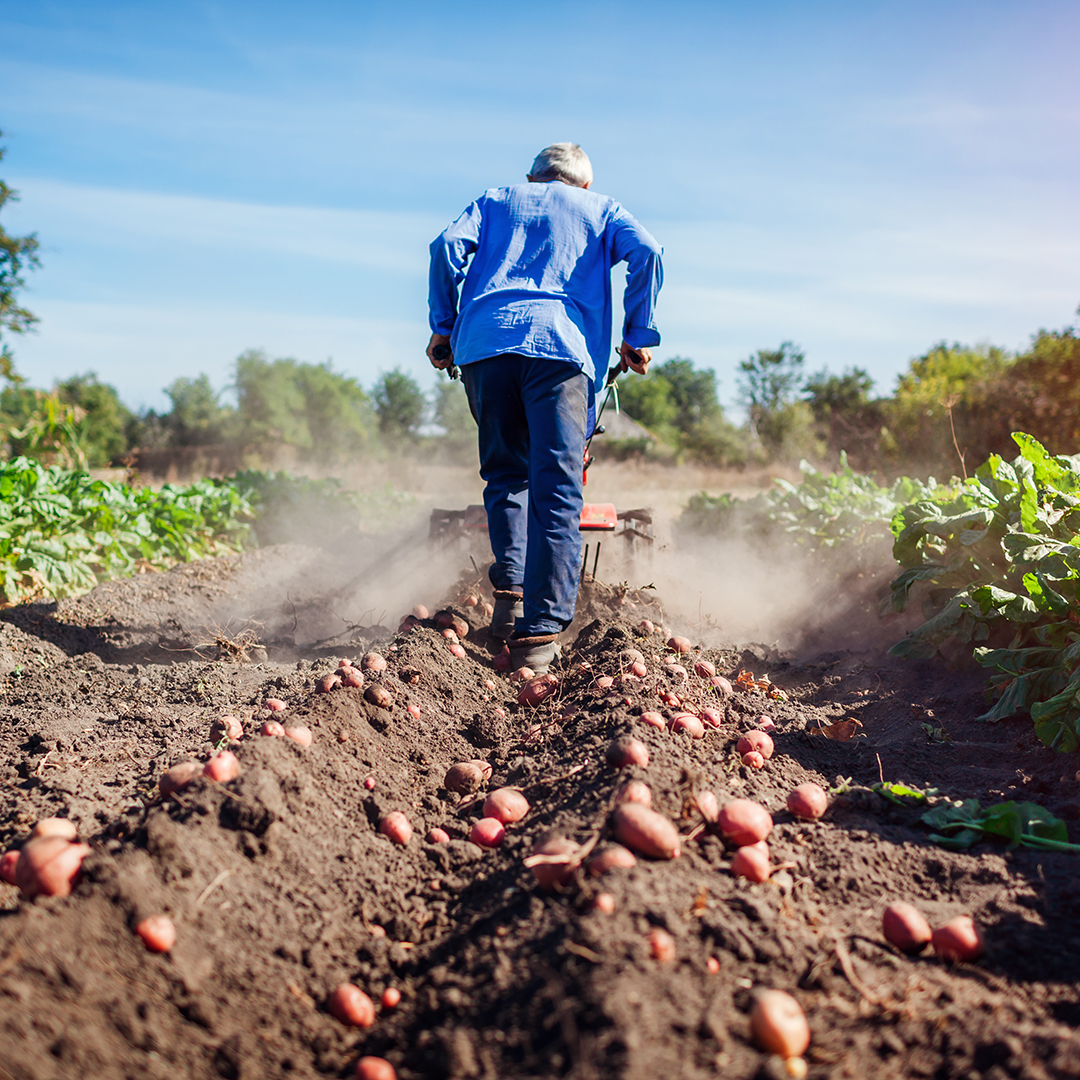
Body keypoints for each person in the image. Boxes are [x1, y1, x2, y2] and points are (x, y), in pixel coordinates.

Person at [427, 143, 663, 673]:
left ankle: (510, 597)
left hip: (486, 345)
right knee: (556, 487)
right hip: (561, 349)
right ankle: (538, 637)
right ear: (584, 185)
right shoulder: (602, 209)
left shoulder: (496, 200)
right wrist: (637, 334)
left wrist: (443, 326)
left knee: (506, 474)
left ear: (533, 178)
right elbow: (648, 252)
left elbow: (445, 246)